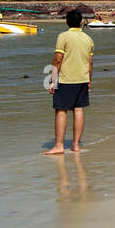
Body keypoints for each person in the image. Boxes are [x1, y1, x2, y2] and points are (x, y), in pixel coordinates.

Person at [45, 8, 95, 154]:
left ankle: (59, 145)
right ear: (81, 22)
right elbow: (90, 63)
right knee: (78, 109)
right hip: (83, 78)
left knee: (61, 110)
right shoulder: (88, 39)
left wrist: (52, 80)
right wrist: (89, 81)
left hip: (66, 79)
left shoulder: (63, 37)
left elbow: (57, 60)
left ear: (67, 23)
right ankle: (75, 145)